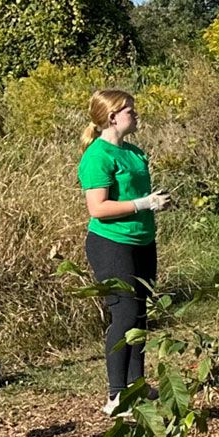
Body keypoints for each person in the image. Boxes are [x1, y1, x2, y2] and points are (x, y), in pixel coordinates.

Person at [78, 89, 169, 416]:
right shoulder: (97, 157)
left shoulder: (133, 152)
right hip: (111, 244)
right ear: (113, 116)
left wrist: (155, 201)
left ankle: (137, 387)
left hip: (142, 241)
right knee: (125, 316)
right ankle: (117, 396)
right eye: (130, 109)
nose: (136, 113)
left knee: (140, 316)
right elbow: (98, 208)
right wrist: (143, 203)